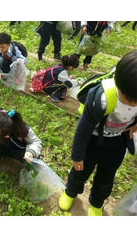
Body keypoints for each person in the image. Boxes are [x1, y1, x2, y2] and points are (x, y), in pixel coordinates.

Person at [58, 50, 137, 216]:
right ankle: (70, 192)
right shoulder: (102, 98)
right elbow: (84, 128)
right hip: (94, 139)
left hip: (118, 141)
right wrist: (77, 156)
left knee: (107, 176)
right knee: (80, 170)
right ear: (117, 81)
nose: (131, 104)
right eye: (128, 99)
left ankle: (97, 202)